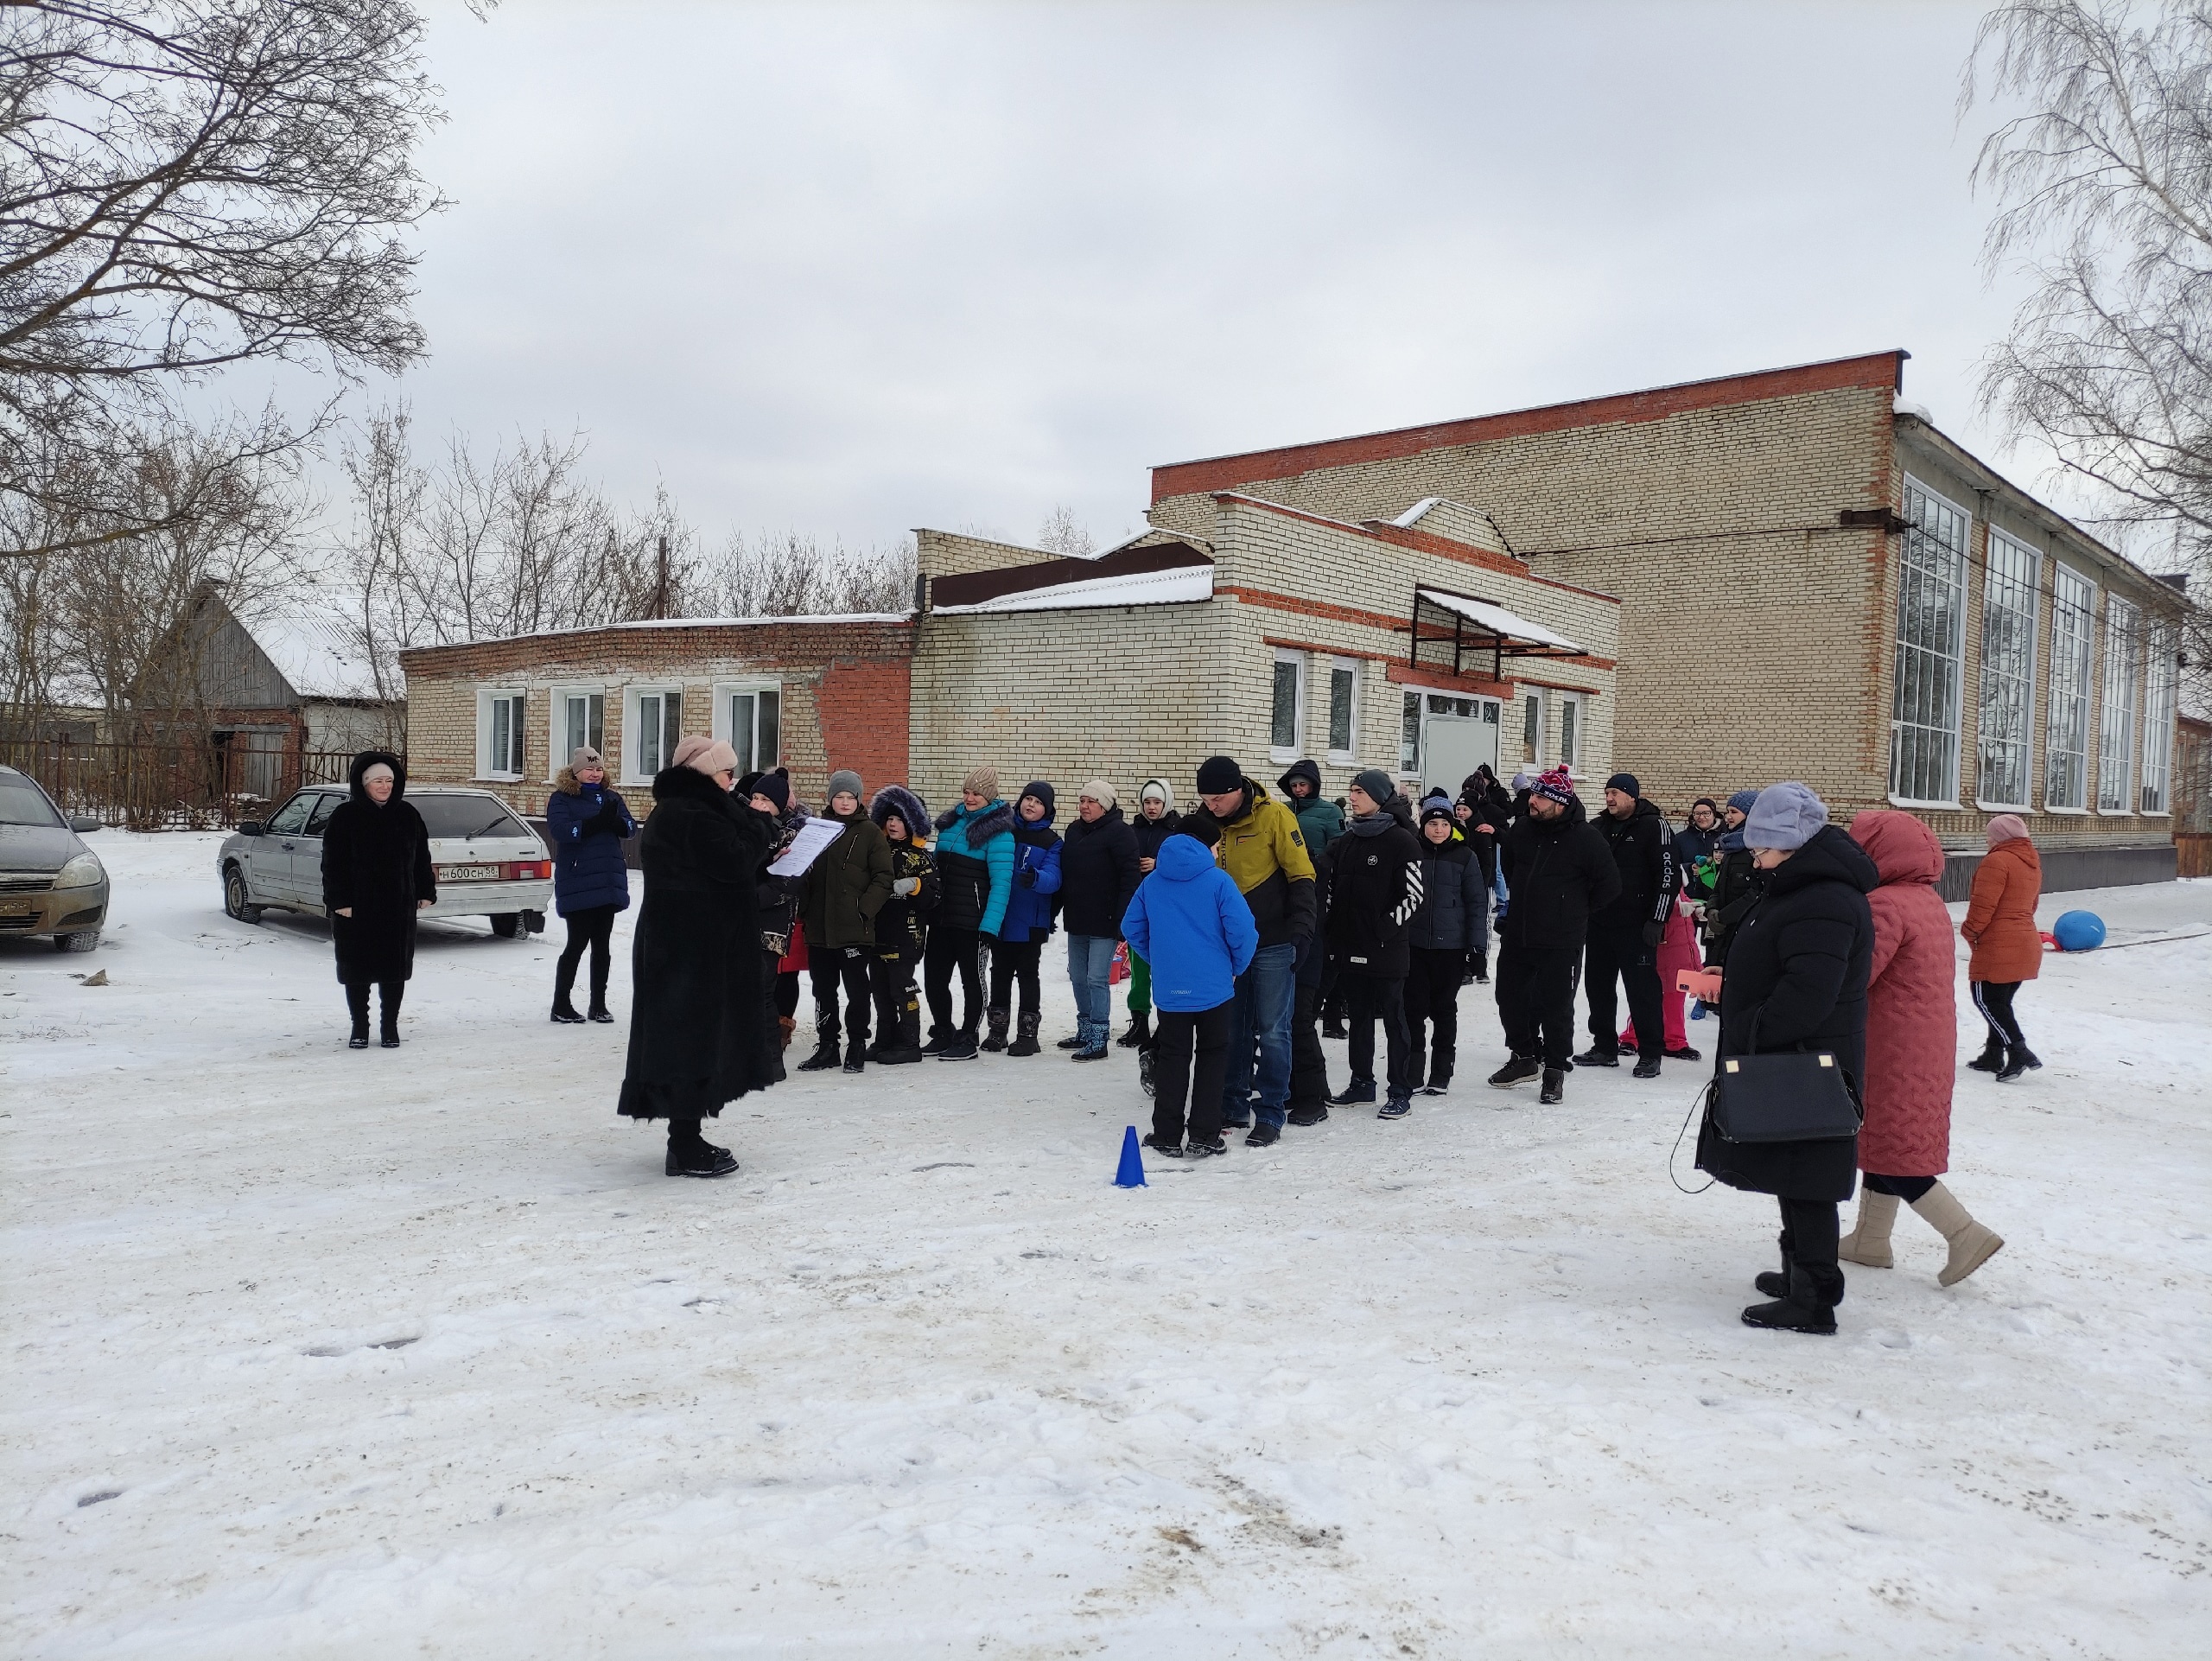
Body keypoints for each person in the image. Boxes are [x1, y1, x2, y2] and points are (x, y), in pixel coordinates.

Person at [1694, 781, 1878, 1335]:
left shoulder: (1823, 898)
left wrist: (1751, 1029)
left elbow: (1808, 993)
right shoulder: (1794, 888)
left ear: (1793, 845)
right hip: (1795, 1054)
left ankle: (1814, 1297)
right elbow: (1781, 963)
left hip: (1807, 1060)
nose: (1754, 857)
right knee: (1793, 1170)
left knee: (1809, 1178)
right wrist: (1735, 981)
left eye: (1762, 848)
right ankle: (1798, 1272)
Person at [1840, 811, 2005, 1286]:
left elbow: (1859, 976)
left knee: (1893, 1148)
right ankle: (1871, 1239)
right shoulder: (1926, 900)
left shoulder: (1883, 905)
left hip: (1890, 1042)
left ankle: (1965, 1233)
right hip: (1924, 1040)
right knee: (1887, 1138)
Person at [616, 735, 777, 1178]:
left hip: (689, 944)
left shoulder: (688, 808)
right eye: (727, 770)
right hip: (690, 949)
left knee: (692, 1038)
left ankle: (686, 1136)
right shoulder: (689, 812)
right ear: (705, 772)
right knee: (688, 1041)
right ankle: (683, 1145)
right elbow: (733, 861)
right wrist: (759, 825)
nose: (733, 778)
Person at [1187, 755, 1317, 1147]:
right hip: (1227, 943)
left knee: (1274, 1029)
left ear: (1237, 790)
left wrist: (1302, 929)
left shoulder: (1274, 817)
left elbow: (1301, 872)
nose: (1211, 805)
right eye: (1205, 798)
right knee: (1233, 1027)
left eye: (1217, 798)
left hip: (1274, 940)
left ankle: (1272, 1110)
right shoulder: (1205, 822)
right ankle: (1233, 1103)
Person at [1122, 818, 1258, 1160]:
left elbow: (1131, 927)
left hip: (1171, 990)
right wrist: (1235, 968)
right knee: (1213, 1058)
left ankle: (1167, 1134)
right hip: (1214, 988)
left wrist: (1159, 959)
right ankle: (1204, 1134)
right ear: (1206, 847)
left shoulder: (1152, 883)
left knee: (1172, 1058)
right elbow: (1243, 931)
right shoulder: (1218, 881)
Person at [1488, 767, 1618, 1104]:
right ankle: (1524, 1057)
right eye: (1533, 794)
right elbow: (1512, 868)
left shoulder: (1587, 838)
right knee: (1509, 997)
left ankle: (1555, 1070)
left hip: (1561, 938)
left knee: (1556, 1007)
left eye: (1540, 797)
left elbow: (1610, 886)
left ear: (1560, 803)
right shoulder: (1523, 830)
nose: (1532, 801)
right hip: (1519, 932)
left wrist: (1573, 912)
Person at [1322, 770, 1424, 1118]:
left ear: (1380, 797)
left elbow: (1414, 897)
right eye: (1351, 791)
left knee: (1394, 1019)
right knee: (1360, 1018)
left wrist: (1382, 931)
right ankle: (1362, 1083)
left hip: (1386, 950)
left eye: (1360, 792)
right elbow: (1333, 890)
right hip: (1350, 947)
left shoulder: (1402, 841)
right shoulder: (1347, 840)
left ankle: (1400, 1090)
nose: (1352, 797)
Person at [322, 750, 435, 1049]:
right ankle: (359, 1026)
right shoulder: (345, 817)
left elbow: (421, 858)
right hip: (356, 910)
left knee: (393, 970)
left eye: (389, 780)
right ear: (363, 784)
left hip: (397, 908)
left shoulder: (408, 815)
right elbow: (332, 864)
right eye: (378, 781)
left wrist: (425, 891)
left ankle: (389, 1028)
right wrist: (339, 900)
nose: (385, 786)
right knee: (357, 972)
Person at [1578, 772, 1678, 1079]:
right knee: (1598, 987)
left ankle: (1650, 1053)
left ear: (1631, 796)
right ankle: (1604, 1047)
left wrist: (1657, 919)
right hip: (1599, 923)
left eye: (1615, 793)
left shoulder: (1653, 826)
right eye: (1607, 793)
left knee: (1642, 991)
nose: (1609, 798)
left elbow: (1668, 876)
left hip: (1637, 926)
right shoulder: (1597, 827)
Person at [795, 768, 894, 1075]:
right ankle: (827, 1046)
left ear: (859, 800)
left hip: (855, 927)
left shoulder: (870, 833)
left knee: (857, 990)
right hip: (820, 927)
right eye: (839, 796)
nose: (845, 802)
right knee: (823, 990)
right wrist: (805, 907)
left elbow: (884, 877)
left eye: (851, 797)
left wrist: (864, 909)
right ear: (830, 799)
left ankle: (856, 1045)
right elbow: (799, 868)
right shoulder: (816, 829)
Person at [926, 767, 1015, 1060]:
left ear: (989, 796)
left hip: (973, 923)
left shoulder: (999, 833)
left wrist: (990, 926)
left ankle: (968, 1036)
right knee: (934, 979)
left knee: (972, 980)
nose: (970, 798)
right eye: (966, 792)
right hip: (941, 918)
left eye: (976, 793)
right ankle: (942, 1031)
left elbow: (1002, 883)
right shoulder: (951, 824)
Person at [544, 746, 636, 1025]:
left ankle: (598, 1005)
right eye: (589, 769)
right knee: (576, 943)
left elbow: (631, 828)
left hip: (607, 881)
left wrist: (617, 823)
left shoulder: (612, 798)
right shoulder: (562, 799)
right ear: (576, 771)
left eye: (598, 769)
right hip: (579, 881)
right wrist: (594, 823)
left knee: (603, 947)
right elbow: (560, 830)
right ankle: (561, 1004)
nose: (595, 774)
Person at [1406, 796, 1488, 1095]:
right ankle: (1413, 1071)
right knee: (1412, 1010)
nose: (1438, 830)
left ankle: (1441, 1072)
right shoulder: (1412, 852)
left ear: (1451, 826)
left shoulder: (1464, 856)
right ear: (1423, 825)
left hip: (1450, 947)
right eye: (1432, 824)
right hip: (1414, 945)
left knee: (1443, 1010)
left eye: (1443, 824)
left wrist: (1477, 949)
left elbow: (1477, 903)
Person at [1058, 779, 1141, 1060]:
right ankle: (1084, 1029)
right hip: (1078, 917)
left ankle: (1099, 1037)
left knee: (1096, 978)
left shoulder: (1121, 833)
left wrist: (1122, 919)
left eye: (1090, 801)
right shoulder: (1073, 831)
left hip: (1106, 919)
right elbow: (1065, 874)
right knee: (1078, 976)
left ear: (1104, 805)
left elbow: (1130, 878)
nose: (1084, 806)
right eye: (1082, 801)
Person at [1962, 814, 2044, 1081]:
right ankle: (1993, 1054)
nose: (1988, 840)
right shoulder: (2030, 862)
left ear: (2001, 838)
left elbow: (1984, 906)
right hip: (2025, 940)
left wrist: (1970, 930)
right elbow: (2031, 905)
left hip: (1999, 942)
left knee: (1986, 999)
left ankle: (2018, 1050)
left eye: (1991, 835)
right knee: (2001, 1002)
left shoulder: (1997, 861)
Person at [987, 781, 1063, 1056]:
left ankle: (1028, 1035)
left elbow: (1054, 878)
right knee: (1000, 973)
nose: (1031, 805)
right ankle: (997, 1033)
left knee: (1028, 976)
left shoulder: (1052, 842)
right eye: (1027, 799)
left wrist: (1037, 879)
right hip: (1002, 918)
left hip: (1032, 921)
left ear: (1047, 809)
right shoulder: (1005, 833)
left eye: (1038, 802)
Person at [868, 785, 938, 1066]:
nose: (894, 824)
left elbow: (933, 897)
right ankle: (885, 1038)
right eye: (890, 818)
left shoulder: (921, 857)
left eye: (900, 819)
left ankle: (910, 1042)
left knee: (902, 989)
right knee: (880, 991)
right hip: (877, 935)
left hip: (905, 937)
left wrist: (915, 885)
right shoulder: (878, 851)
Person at [1118, 779, 1181, 1047]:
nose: (1152, 807)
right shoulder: (1133, 830)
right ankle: (1139, 1021)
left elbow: (1186, 864)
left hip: (1168, 912)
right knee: (1139, 969)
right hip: (1139, 907)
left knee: (1166, 970)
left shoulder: (1178, 831)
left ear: (1166, 802)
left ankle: (1168, 1024)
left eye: (1157, 802)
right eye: (1147, 802)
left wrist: (1159, 863)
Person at [748, 770, 806, 1056]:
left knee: (765, 989)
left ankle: (770, 1050)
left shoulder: (792, 835)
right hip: (742, 922)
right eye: (755, 798)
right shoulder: (748, 831)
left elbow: (786, 884)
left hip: (771, 926)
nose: (758, 804)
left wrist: (741, 897)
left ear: (780, 805)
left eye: (766, 800)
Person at [1701, 789, 1764, 966]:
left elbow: (1756, 893)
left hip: (1744, 932)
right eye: (1728, 811)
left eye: (1734, 812)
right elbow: (1719, 886)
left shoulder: (1759, 849)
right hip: (1722, 933)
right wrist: (1712, 910)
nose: (1728, 817)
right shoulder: (1730, 847)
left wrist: (1723, 917)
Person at [1277, 758, 1345, 854]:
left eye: (1302, 784)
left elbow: (1340, 847)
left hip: (1317, 867)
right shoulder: (1283, 809)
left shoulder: (1332, 811)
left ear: (1312, 785)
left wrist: (1322, 863)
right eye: (1293, 785)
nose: (1298, 789)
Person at [1677, 798, 1723, 902]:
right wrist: (1689, 868)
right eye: (1697, 813)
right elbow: (1673, 864)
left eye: (1706, 813)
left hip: (1719, 896)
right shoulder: (1680, 839)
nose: (1701, 817)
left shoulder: (1725, 838)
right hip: (1690, 896)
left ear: (1714, 814)